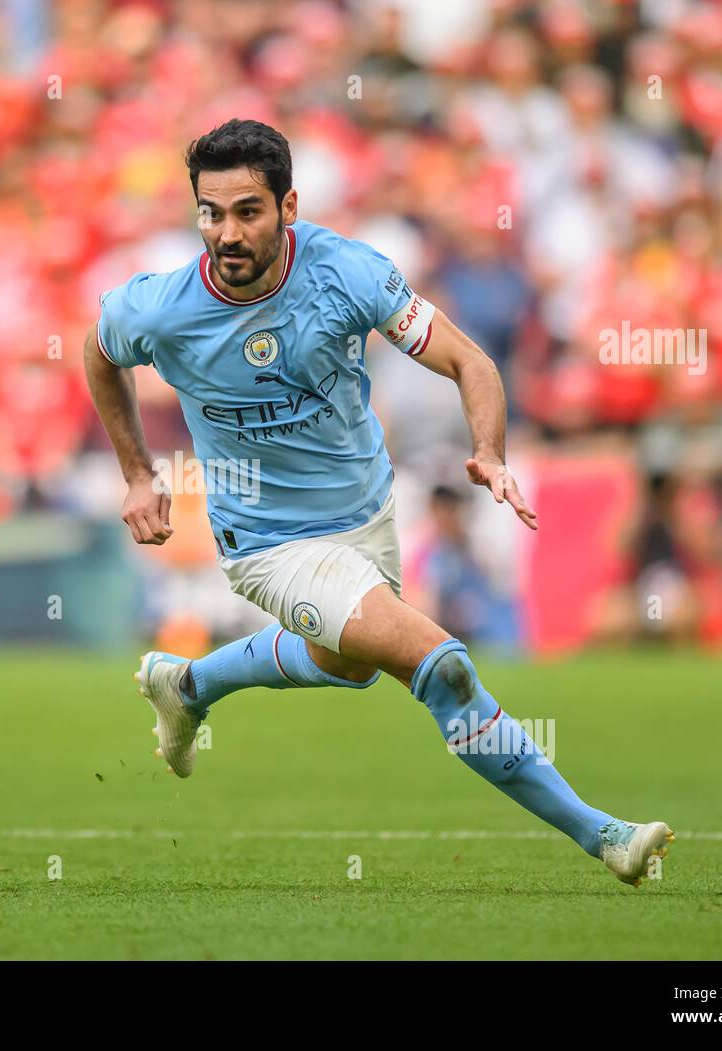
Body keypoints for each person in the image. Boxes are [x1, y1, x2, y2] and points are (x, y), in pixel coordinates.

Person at [83, 119, 672, 887]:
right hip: (266, 542)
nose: (226, 232)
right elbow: (98, 352)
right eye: (211, 212)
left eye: (247, 211)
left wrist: (490, 450)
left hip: (366, 514)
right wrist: (137, 473)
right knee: (442, 666)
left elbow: (470, 360)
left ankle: (189, 684)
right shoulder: (160, 306)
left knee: (348, 665)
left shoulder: (349, 273)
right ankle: (606, 835)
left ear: (288, 206)